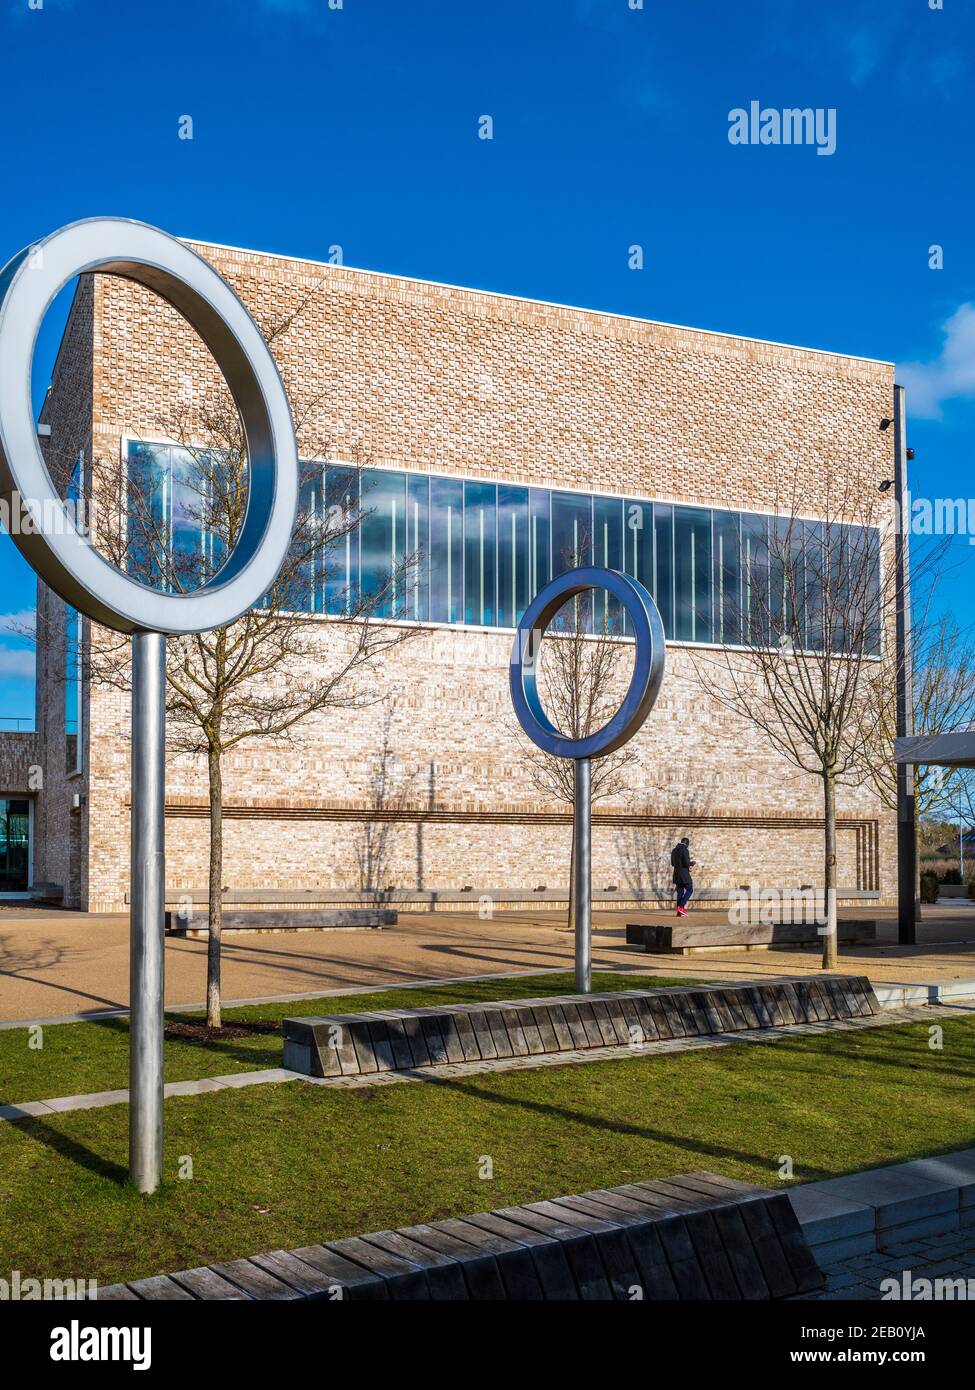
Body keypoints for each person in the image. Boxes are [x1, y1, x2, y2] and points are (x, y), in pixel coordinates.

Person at [670, 837, 695, 916]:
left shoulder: (674, 850)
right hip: (684, 875)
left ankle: (679, 913)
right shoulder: (685, 850)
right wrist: (692, 863)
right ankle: (681, 907)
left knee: (680, 892)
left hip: (676, 875)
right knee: (690, 889)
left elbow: (672, 863)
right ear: (687, 844)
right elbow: (686, 863)